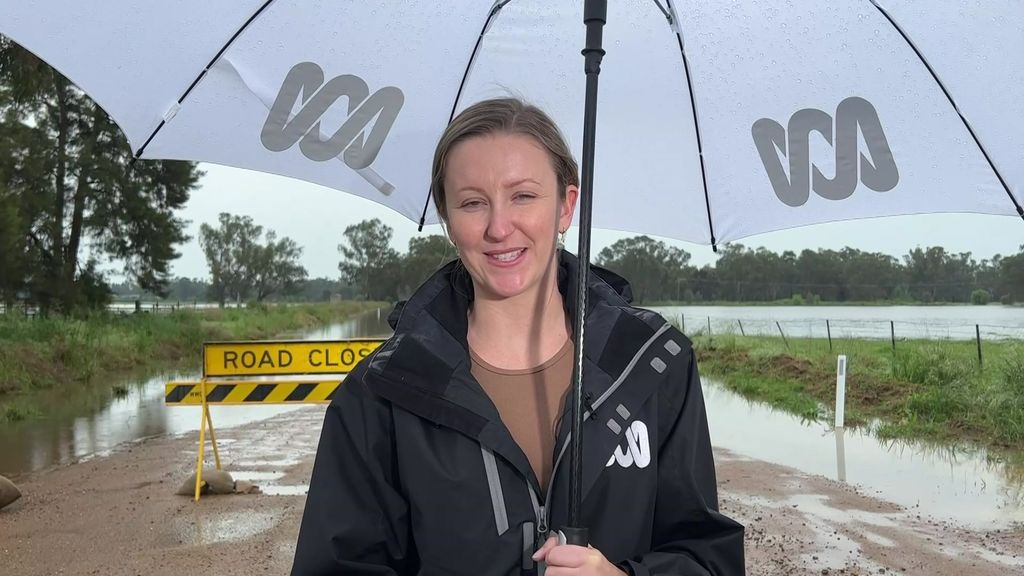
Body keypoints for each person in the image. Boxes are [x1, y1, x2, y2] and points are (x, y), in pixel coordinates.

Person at [291, 98, 745, 575]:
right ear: (448, 220)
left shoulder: (652, 364)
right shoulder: (383, 389)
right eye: (472, 203)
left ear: (567, 206)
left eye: (523, 196)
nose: (499, 227)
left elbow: (707, 556)